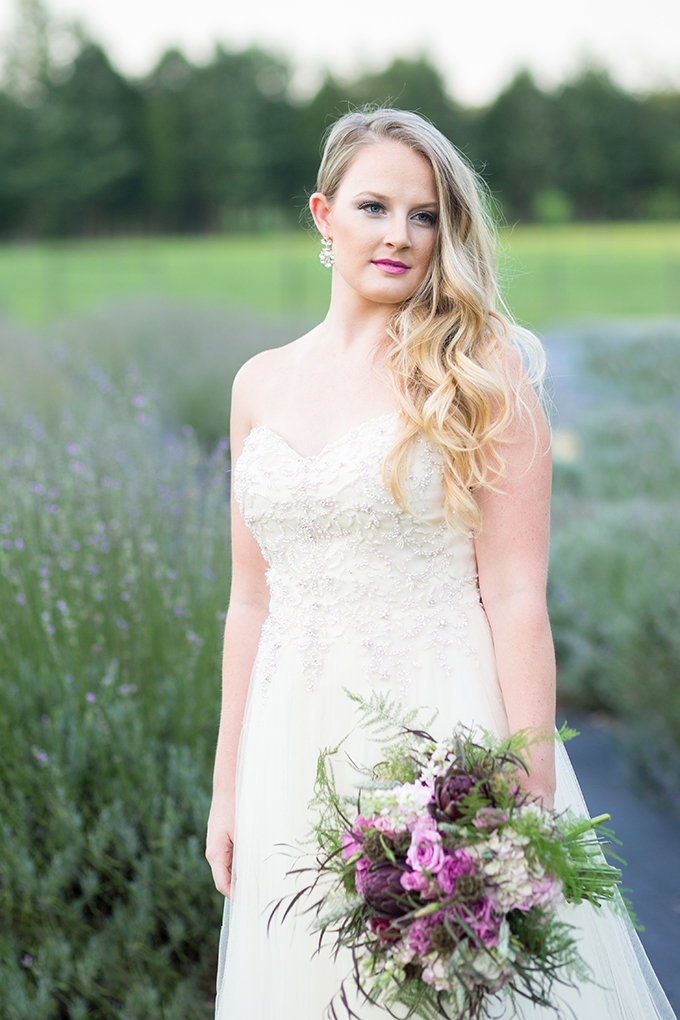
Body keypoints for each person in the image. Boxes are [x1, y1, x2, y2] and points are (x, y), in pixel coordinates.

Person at [206, 108, 676, 1019]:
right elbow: (250, 602)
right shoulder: (256, 383)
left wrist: (529, 789)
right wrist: (227, 787)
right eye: (375, 206)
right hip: (287, 749)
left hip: (438, 734)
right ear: (322, 213)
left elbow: (513, 591)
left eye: (425, 215)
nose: (400, 235)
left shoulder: (480, 367)